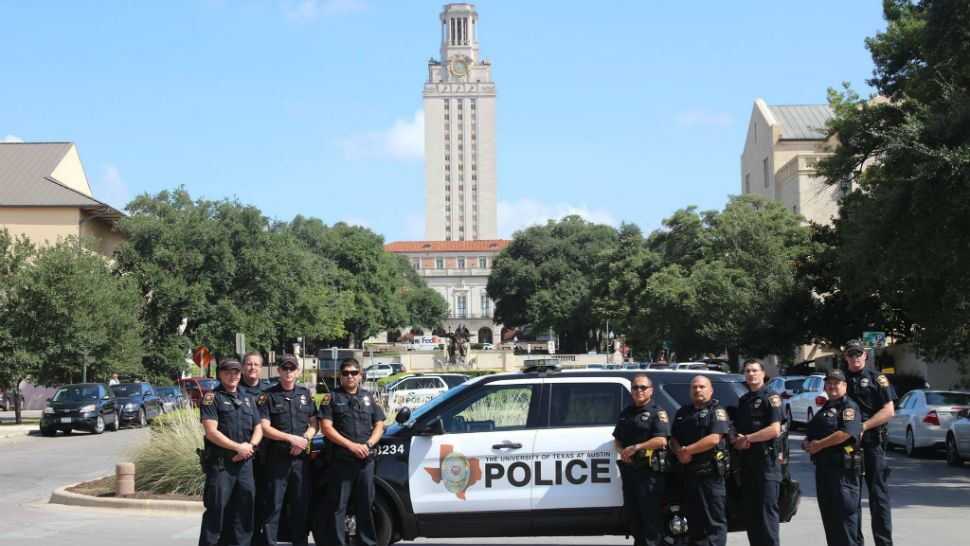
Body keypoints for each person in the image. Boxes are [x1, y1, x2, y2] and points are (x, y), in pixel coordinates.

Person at [320, 358, 386, 546]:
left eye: (354, 373)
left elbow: (379, 424)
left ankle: (367, 543)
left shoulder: (368, 397)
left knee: (366, 505)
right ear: (340, 376)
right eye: (346, 373)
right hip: (342, 462)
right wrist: (351, 446)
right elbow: (326, 428)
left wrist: (369, 444)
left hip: (365, 461)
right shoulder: (331, 398)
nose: (350, 376)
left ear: (360, 376)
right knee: (338, 507)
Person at [198, 357, 263, 546]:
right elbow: (211, 432)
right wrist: (238, 447)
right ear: (220, 374)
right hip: (221, 465)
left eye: (236, 372)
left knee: (243, 513)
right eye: (228, 372)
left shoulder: (247, 398)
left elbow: (258, 427)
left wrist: (250, 446)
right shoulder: (212, 398)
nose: (233, 376)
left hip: (244, 464)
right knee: (216, 513)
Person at [258, 354, 318, 546]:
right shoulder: (268, 396)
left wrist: (304, 439)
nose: (289, 371)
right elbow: (265, 428)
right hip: (277, 459)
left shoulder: (306, 394)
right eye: (285, 368)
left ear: (298, 371)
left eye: (292, 368)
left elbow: (314, 424)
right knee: (273, 507)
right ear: (279, 370)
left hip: (300, 460)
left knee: (301, 506)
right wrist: (291, 439)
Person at [843, 339, 896, 546]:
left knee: (878, 497)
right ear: (845, 357)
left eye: (858, 353)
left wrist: (864, 426)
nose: (855, 357)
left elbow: (889, 410)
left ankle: (884, 543)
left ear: (865, 355)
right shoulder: (840, 380)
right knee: (850, 498)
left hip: (872, 443)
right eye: (851, 354)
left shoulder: (877, 378)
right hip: (848, 445)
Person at [803, 369, 864, 546]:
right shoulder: (826, 408)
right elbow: (814, 433)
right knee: (831, 524)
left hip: (842, 473)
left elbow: (846, 433)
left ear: (844, 385)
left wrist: (819, 445)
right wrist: (808, 443)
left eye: (836, 382)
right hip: (824, 470)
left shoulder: (849, 407)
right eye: (829, 383)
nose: (832, 386)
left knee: (845, 525)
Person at [670, 375, 729, 546]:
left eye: (702, 387)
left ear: (711, 390)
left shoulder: (716, 411)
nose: (698, 390)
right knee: (695, 524)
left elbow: (714, 439)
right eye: (694, 387)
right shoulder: (683, 413)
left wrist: (687, 450)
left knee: (714, 524)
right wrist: (678, 451)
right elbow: (673, 437)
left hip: (710, 476)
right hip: (689, 476)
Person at [612, 374, 670, 546]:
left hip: (649, 474)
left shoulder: (657, 412)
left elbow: (661, 440)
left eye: (643, 387)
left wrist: (636, 447)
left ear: (651, 390)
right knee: (634, 516)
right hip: (629, 472)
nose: (639, 391)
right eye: (635, 388)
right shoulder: (627, 413)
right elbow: (617, 438)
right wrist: (622, 450)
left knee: (651, 518)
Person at [731, 359, 784, 546]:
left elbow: (774, 430)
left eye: (754, 370)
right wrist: (736, 439)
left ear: (763, 373)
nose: (751, 374)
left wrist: (748, 439)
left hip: (766, 465)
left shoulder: (772, 397)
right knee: (751, 516)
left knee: (767, 516)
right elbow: (735, 428)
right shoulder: (744, 400)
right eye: (747, 371)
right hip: (747, 465)